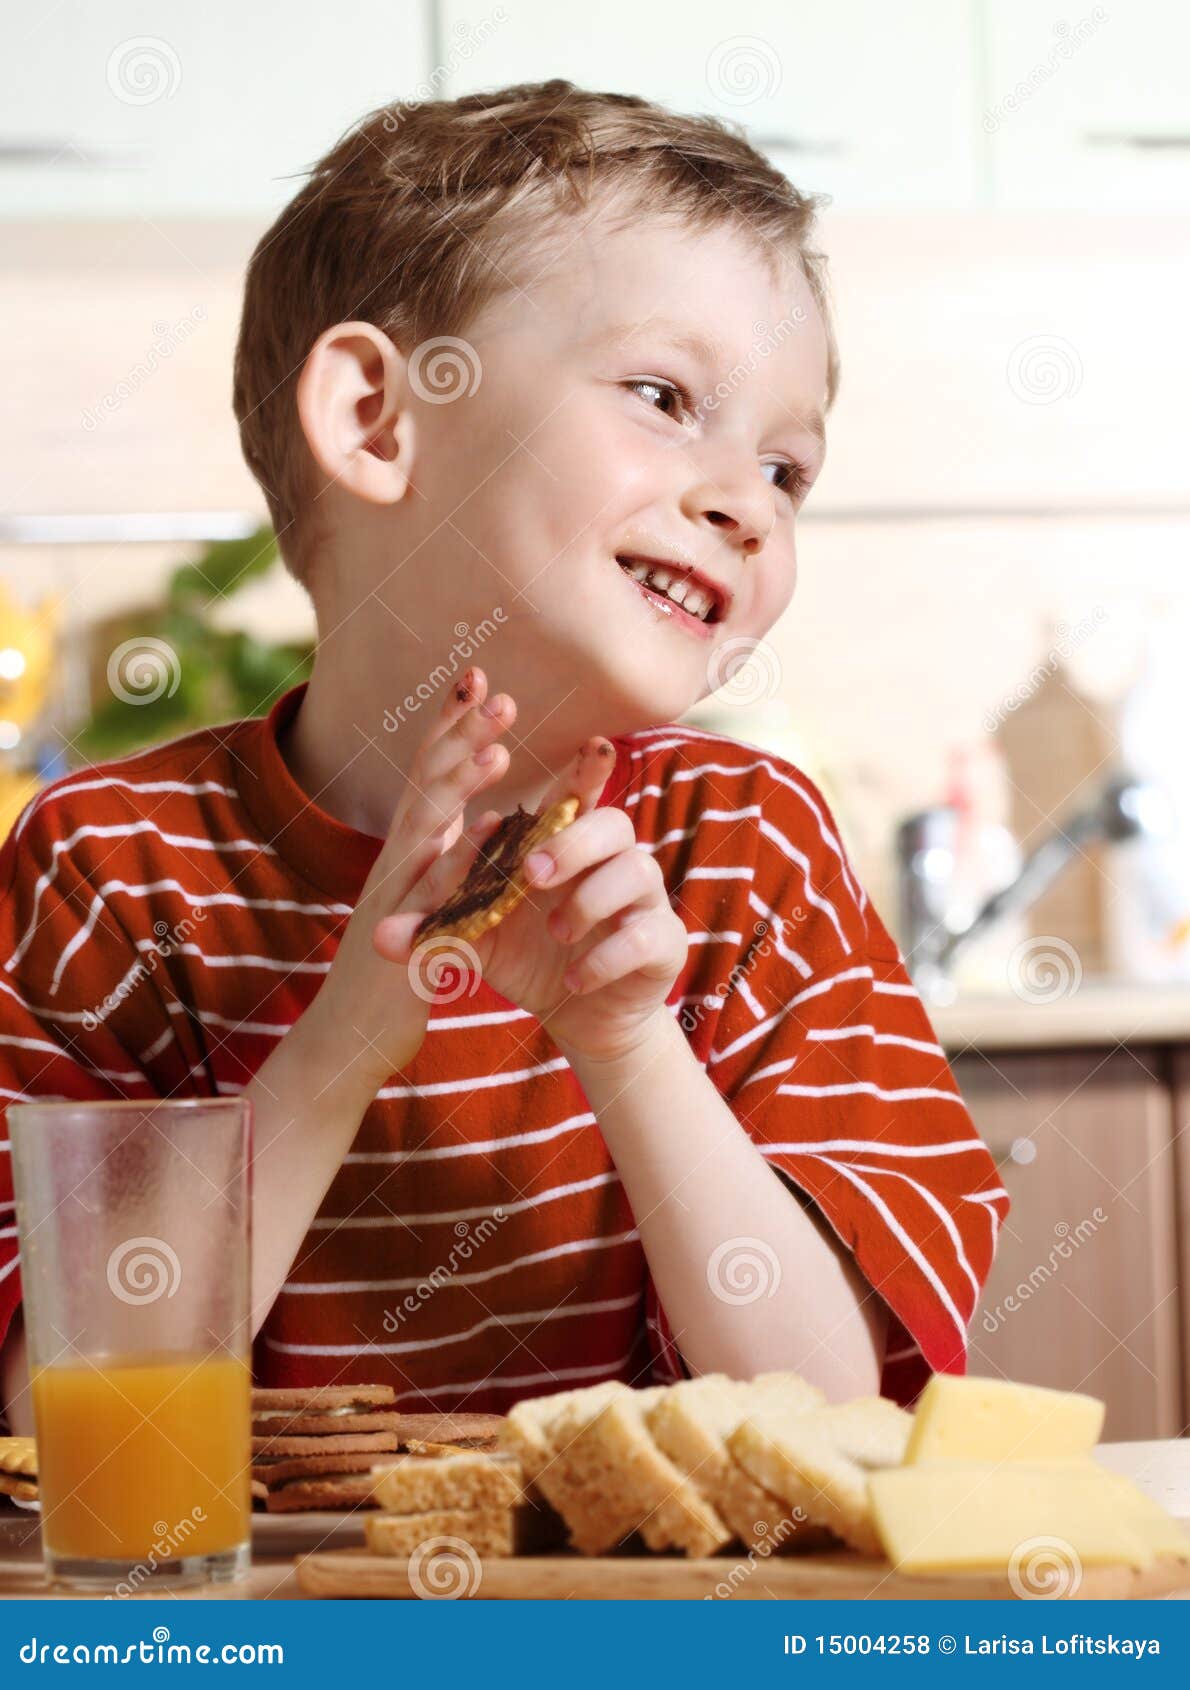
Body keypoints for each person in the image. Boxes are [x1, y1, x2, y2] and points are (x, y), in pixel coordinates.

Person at [0, 81, 1007, 1432]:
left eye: (785, 468)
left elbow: (828, 1411)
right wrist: (349, 1035)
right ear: (375, 418)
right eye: (663, 396)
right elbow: (60, 1422)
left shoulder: (749, 848)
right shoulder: (105, 870)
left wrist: (631, 1041)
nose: (744, 506)